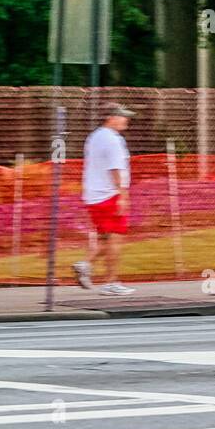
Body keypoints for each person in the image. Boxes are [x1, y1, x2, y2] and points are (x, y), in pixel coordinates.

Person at [74, 105, 137, 296]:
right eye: (122, 116)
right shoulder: (113, 140)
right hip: (109, 194)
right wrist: (122, 195)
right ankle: (111, 282)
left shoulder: (95, 136)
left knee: (106, 238)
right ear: (111, 118)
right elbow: (115, 168)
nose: (126, 120)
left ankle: (85, 265)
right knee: (116, 239)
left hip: (93, 195)